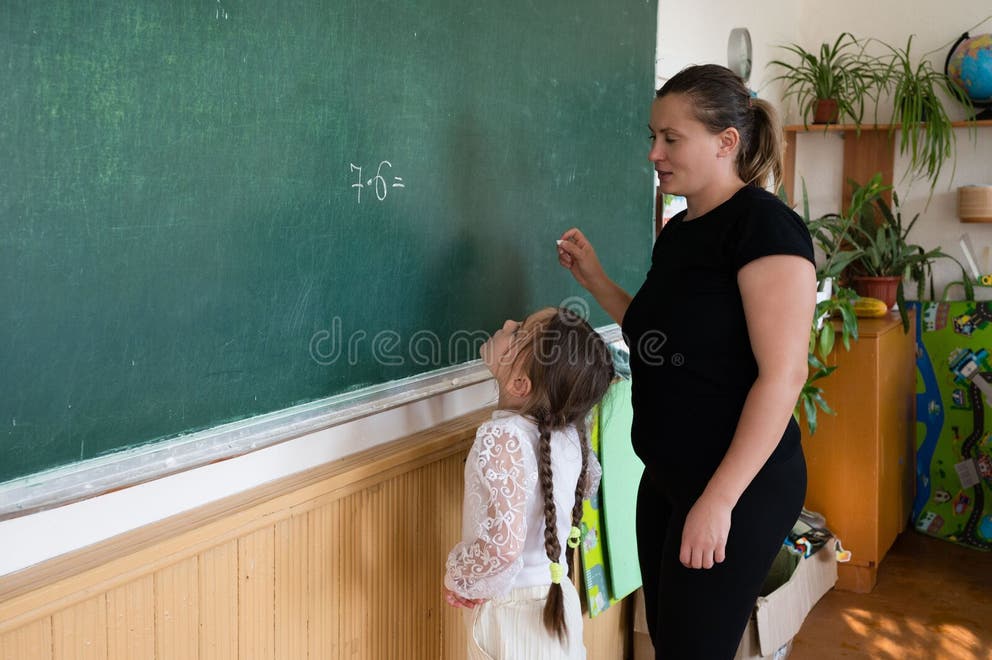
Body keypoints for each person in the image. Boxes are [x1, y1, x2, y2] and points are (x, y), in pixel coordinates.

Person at [556, 64, 816, 659]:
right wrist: (596, 280)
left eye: (671, 139)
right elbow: (658, 336)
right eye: (653, 136)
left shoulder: (764, 227)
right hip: (670, 476)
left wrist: (719, 501)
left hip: (737, 485)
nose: (655, 153)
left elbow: (784, 376)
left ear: (727, 142)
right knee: (672, 643)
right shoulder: (678, 233)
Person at [443, 306, 615, 659]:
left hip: (511, 614)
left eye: (518, 331)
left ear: (520, 383)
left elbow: (504, 548)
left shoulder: (502, 436)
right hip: (557, 597)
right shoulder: (568, 436)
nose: (506, 323)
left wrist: (462, 577)